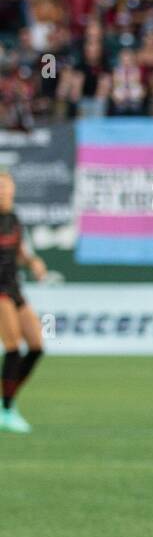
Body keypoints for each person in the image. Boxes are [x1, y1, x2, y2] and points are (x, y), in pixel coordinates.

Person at [0, 171, 47, 434]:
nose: (3, 193)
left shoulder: (14, 219)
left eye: (7, 188)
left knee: (37, 346)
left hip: (15, 289)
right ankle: (6, 409)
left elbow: (20, 253)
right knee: (12, 347)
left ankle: (7, 399)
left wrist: (34, 262)